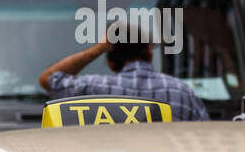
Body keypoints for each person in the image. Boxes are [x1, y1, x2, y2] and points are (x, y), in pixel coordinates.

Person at [39, 29, 209, 122]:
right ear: (149, 51)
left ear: (112, 63)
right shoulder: (183, 92)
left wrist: (98, 49)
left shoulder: (92, 89)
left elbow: (48, 79)